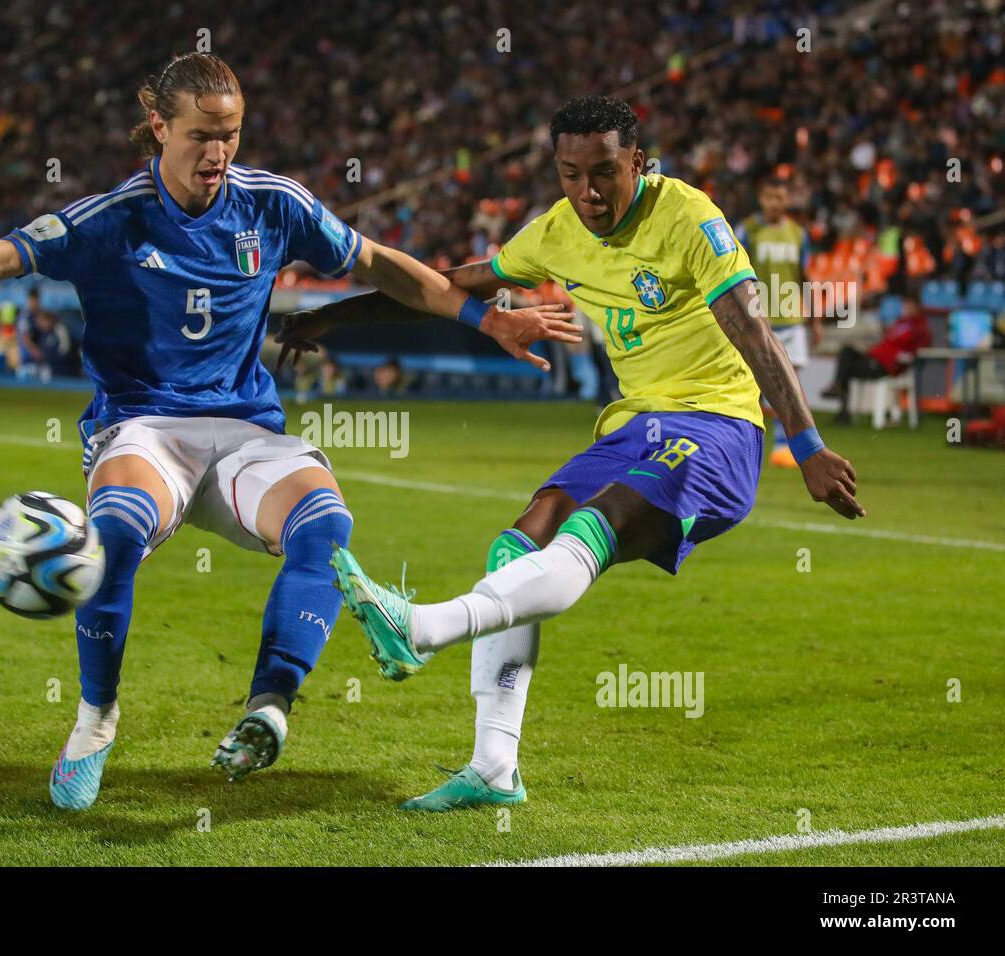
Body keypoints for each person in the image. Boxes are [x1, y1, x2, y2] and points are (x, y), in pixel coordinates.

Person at [0, 53, 576, 811]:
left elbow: (380, 264)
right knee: (111, 539)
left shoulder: (273, 204)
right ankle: (94, 721)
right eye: (201, 136)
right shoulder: (112, 218)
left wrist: (484, 316)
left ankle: (268, 706)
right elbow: (0, 256)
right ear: (159, 128)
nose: (218, 153)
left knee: (325, 525)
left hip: (245, 430)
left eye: (231, 135)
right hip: (143, 426)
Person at [282, 95, 864, 812]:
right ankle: (495, 767)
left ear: (639, 165)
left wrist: (807, 446)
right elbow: (447, 288)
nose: (588, 192)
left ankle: (424, 626)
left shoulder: (688, 216)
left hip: (718, 427)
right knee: (519, 544)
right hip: (633, 425)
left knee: (597, 523)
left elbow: (753, 328)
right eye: (570, 174)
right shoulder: (556, 232)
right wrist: (326, 318)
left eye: (605, 173)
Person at [735, 178, 822, 467]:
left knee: (791, 385)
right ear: (762, 198)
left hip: (791, 317)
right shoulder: (748, 230)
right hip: (758, 321)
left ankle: (784, 446)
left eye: (781, 197)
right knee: (754, 388)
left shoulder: (798, 233)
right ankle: (745, 445)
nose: (776, 203)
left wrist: (815, 318)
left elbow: (804, 275)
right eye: (771, 196)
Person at [821, 295, 931, 425]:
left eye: (909, 305)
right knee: (847, 353)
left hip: (888, 365)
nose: (906, 308)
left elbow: (919, 349)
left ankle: (841, 401)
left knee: (846, 366)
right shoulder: (900, 323)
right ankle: (840, 396)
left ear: (917, 307)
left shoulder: (919, 327)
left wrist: (901, 359)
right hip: (875, 358)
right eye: (905, 305)